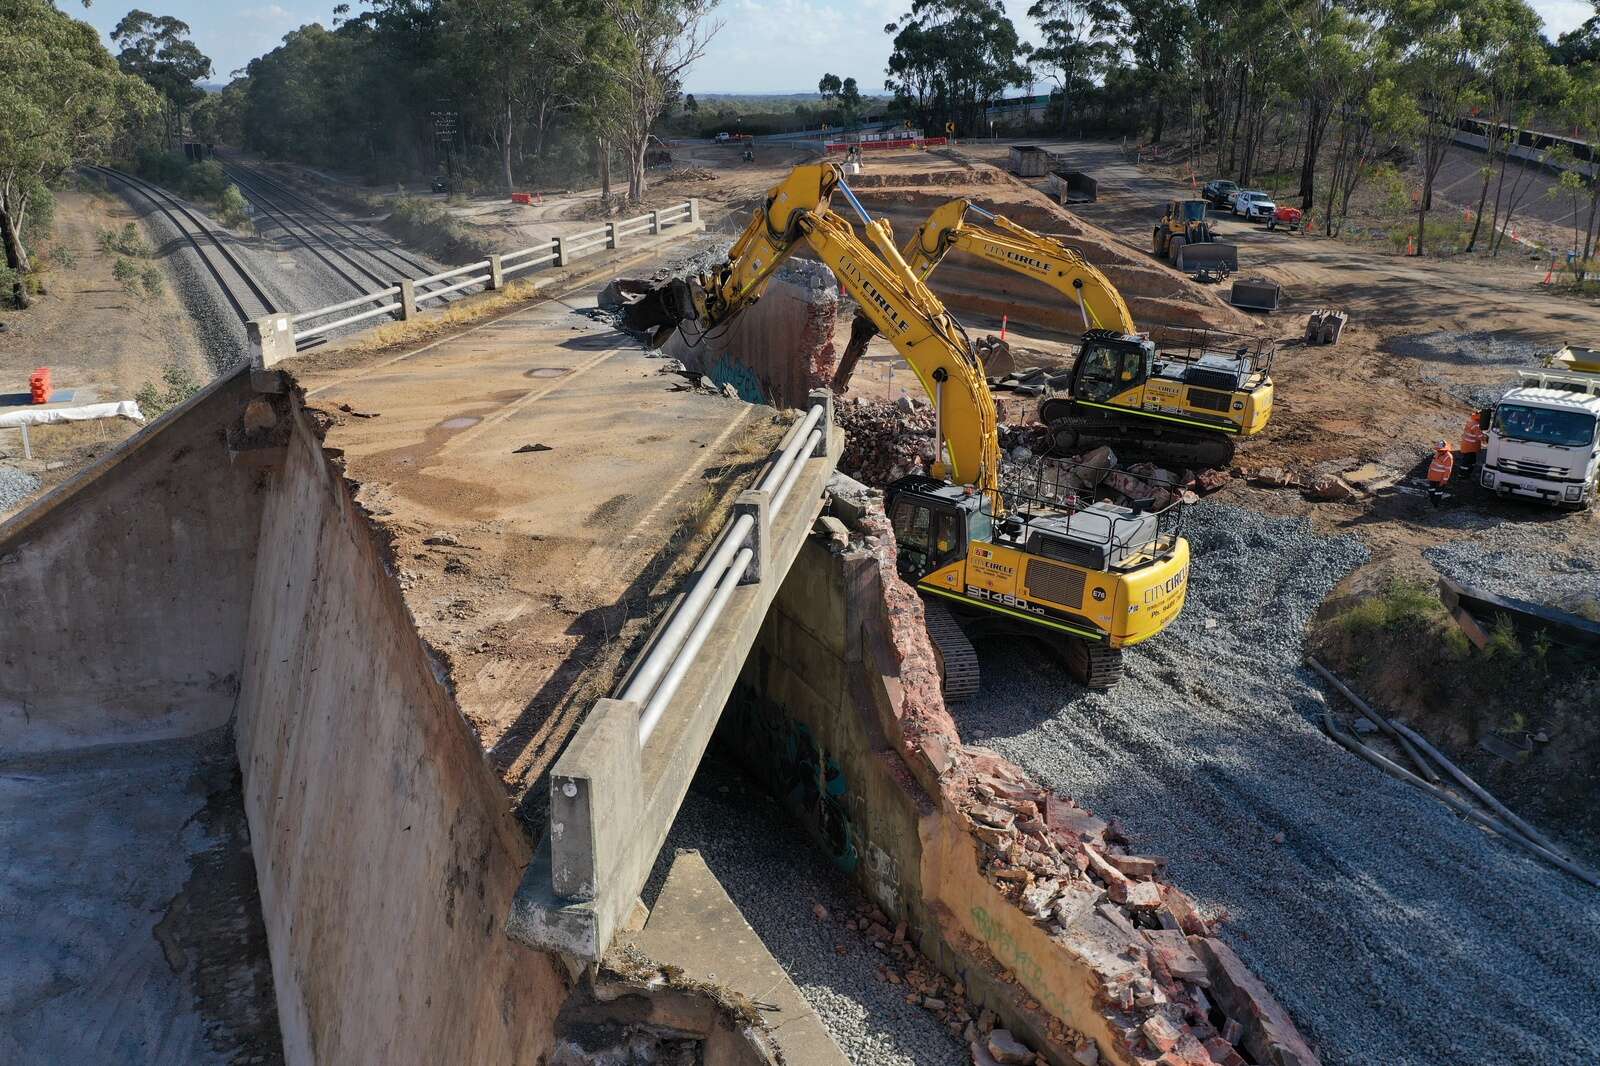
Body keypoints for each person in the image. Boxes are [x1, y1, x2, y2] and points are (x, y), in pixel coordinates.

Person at [1426, 439, 1454, 507]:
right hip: (1433, 477)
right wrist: (1429, 474)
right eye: (1438, 450)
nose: (1439, 451)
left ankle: (1435, 505)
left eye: (1440, 450)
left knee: (1438, 492)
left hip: (1440, 479)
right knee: (1431, 490)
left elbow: (1448, 470)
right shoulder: (1437, 453)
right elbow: (1432, 464)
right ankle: (1431, 501)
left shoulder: (1448, 457)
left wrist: (1444, 480)